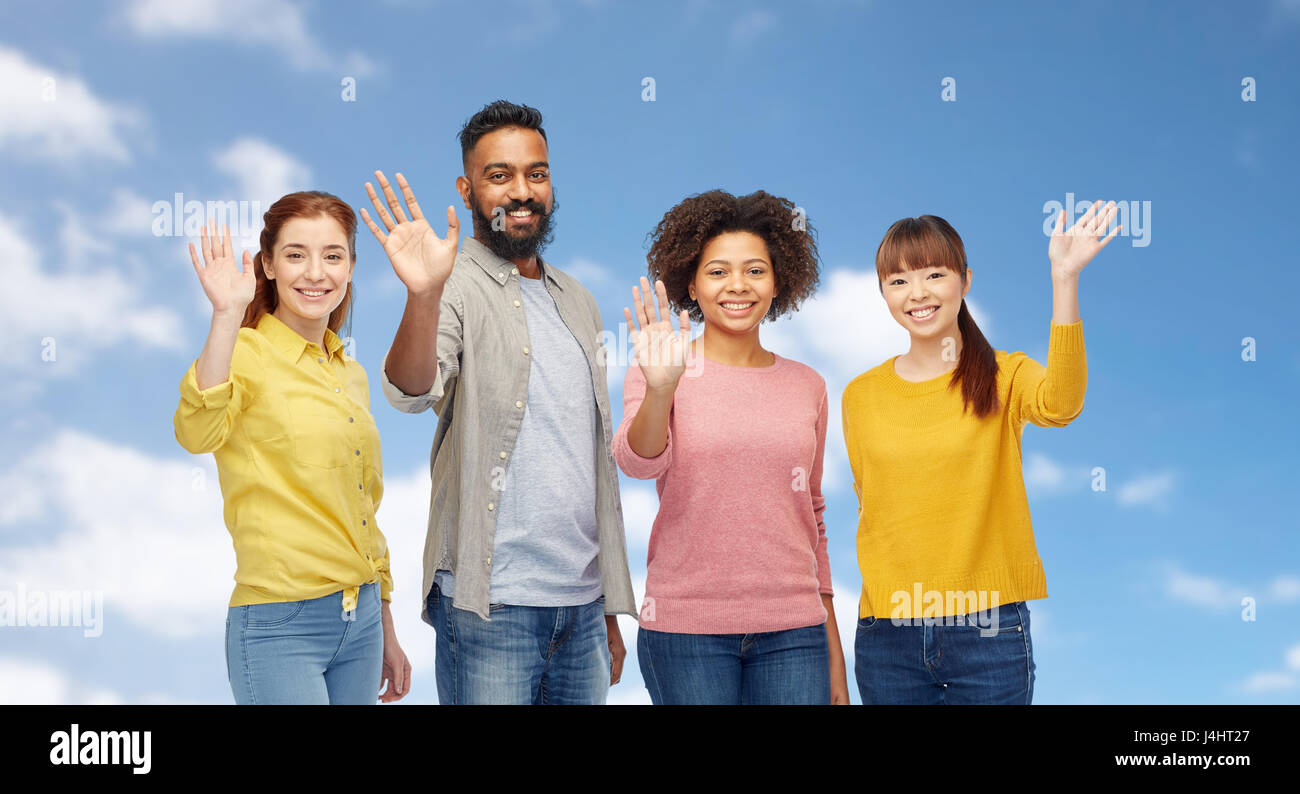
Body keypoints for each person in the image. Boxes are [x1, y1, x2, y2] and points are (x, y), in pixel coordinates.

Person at [368, 100, 637, 705]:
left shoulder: (580, 301)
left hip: (583, 610)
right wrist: (423, 294)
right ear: (467, 190)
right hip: (490, 606)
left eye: (536, 174)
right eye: (500, 175)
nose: (522, 191)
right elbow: (410, 391)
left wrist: (609, 610)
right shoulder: (453, 284)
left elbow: (588, 461)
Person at [842, 202, 1120, 704]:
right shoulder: (860, 396)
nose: (918, 293)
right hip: (888, 634)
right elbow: (872, 503)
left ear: (964, 281)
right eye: (898, 281)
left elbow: (1062, 404)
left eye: (934, 274)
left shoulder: (1002, 375)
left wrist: (1064, 280)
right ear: (882, 292)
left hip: (988, 629)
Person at [612, 189, 849, 705]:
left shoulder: (807, 385)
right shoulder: (660, 367)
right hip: (685, 630)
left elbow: (812, 512)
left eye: (755, 270)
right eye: (717, 271)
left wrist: (833, 649)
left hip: (794, 632)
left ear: (778, 280)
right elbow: (636, 462)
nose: (737, 286)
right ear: (691, 285)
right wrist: (660, 388)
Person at [173, 192, 411, 705]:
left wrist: (386, 624)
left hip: (361, 619)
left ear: (349, 267)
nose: (315, 272)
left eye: (333, 255)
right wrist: (225, 316)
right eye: (296, 254)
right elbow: (197, 430)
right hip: (280, 624)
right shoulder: (245, 352)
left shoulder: (351, 373)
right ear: (269, 265)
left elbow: (364, 509)